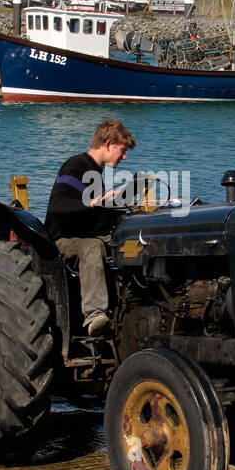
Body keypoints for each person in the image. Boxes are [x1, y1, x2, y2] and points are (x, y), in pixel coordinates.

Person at [44, 118, 136, 336]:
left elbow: (93, 216)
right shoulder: (77, 166)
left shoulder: (95, 172)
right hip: (63, 240)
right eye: (122, 150)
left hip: (86, 233)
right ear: (108, 144)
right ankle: (95, 315)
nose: (125, 157)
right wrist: (95, 202)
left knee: (133, 243)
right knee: (92, 247)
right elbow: (58, 205)